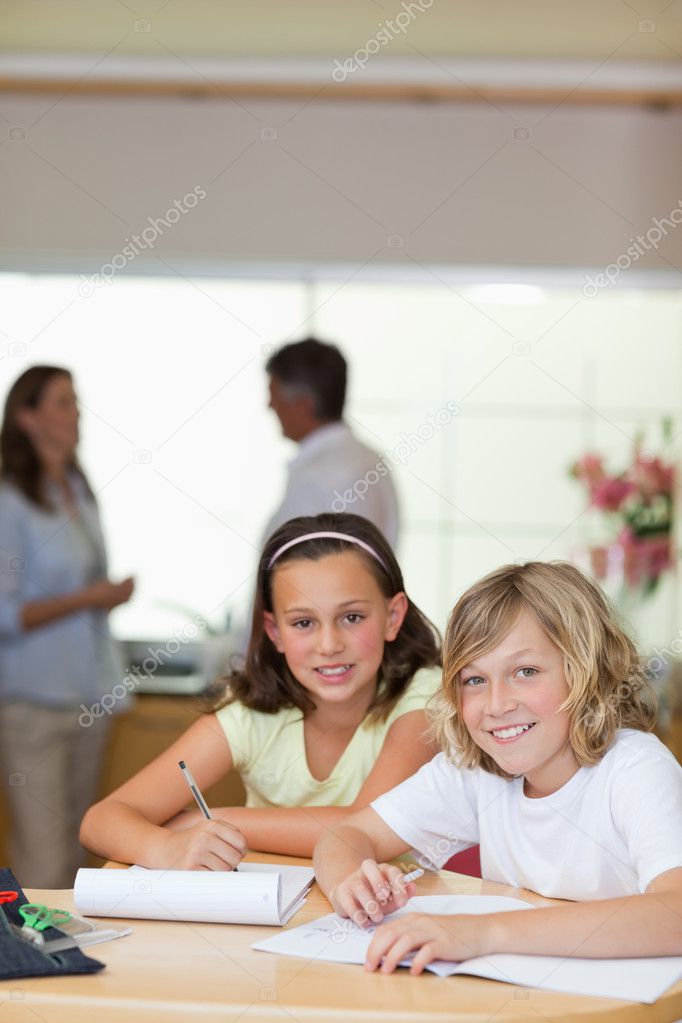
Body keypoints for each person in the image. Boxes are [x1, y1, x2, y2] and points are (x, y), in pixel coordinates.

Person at [313, 561, 682, 973]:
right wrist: (352, 883)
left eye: (525, 672)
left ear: (587, 671)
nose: (496, 705)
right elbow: (346, 835)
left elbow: (676, 913)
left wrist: (482, 933)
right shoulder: (476, 771)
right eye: (474, 680)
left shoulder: (636, 769)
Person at [80, 512, 441, 867]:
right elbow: (100, 822)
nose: (329, 644)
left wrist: (205, 823)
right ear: (274, 632)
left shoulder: (425, 698)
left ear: (393, 617)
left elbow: (366, 827)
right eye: (303, 623)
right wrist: (164, 848)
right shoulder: (250, 715)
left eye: (352, 617)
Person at [0, 365, 135, 888]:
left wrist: (105, 598)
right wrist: (88, 598)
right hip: (34, 703)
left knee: (83, 848)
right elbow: (4, 612)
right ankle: (30, 963)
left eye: (75, 400)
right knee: (44, 856)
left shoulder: (76, 488)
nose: (75, 412)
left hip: (91, 697)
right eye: (61, 402)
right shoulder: (9, 500)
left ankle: (73, 959)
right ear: (27, 417)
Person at [264, 338, 399, 548]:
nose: (269, 405)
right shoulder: (372, 460)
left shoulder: (317, 477)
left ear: (302, 406)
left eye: (275, 397)